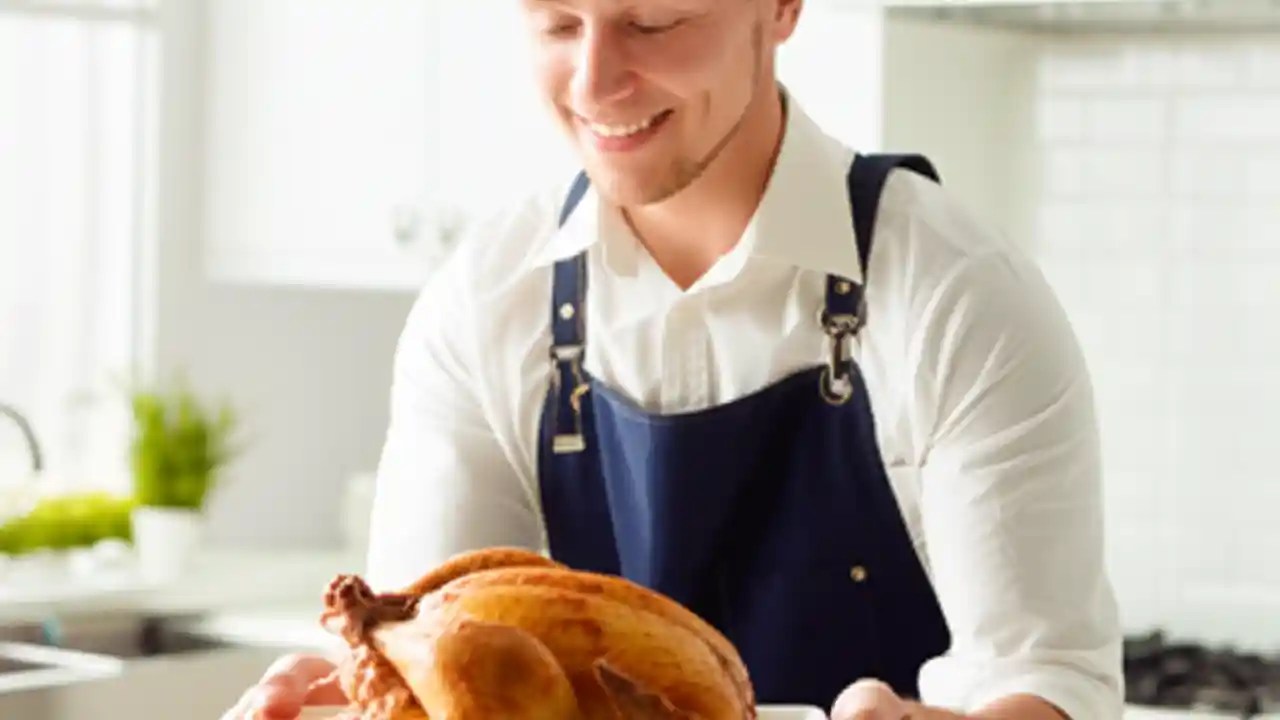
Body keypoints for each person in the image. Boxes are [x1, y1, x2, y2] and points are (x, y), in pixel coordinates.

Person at [222, 0, 1125, 718]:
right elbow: (430, 654)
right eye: (557, 23)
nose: (595, 81)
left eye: (653, 23)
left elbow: (1050, 680)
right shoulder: (484, 304)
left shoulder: (956, 293)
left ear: (782, 7)